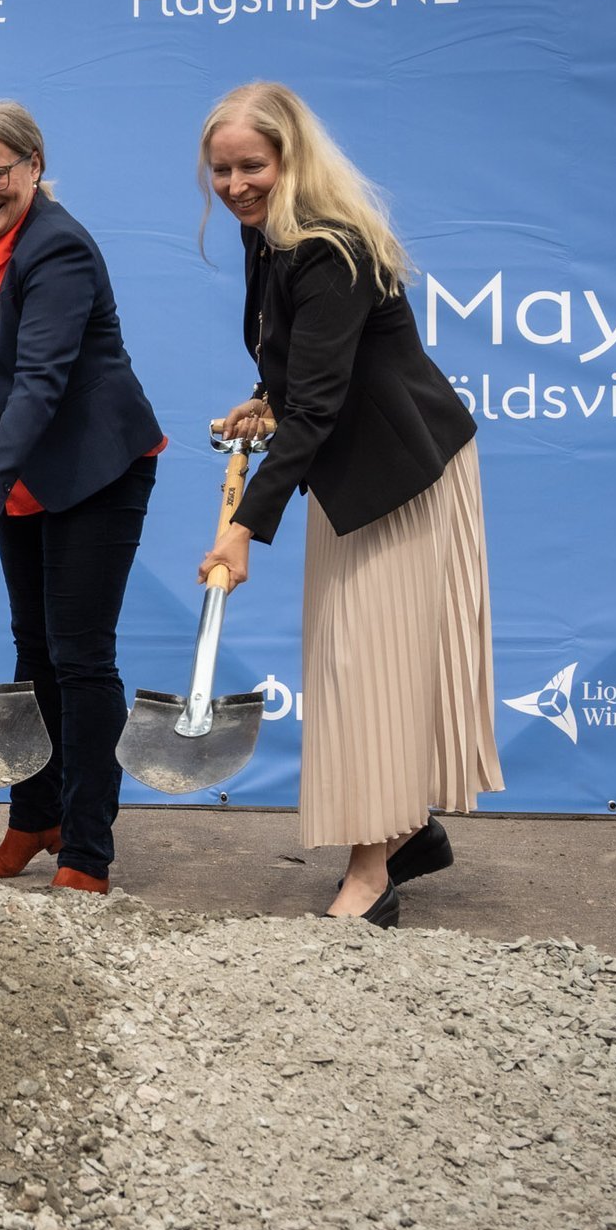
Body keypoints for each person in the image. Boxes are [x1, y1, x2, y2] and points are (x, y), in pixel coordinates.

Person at [194, 81, 502, 928]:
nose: (235, 185)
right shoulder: (270, 240)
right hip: (349, 478)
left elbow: (323, 406)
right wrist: (267, 394)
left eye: (251, 165)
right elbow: (303, 367)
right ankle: (408, 832)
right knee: (353, 665)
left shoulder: (331, 247)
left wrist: (243, 527)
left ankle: (373, 874)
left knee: (371, 671)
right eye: (220, 170)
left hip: (404, 479)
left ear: (290, 159)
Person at [0, 101, 163, 895]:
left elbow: (42, 382)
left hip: (96, 470)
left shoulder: (56, 245)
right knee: (34, 654)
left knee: (81, 657)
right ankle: (34, 819)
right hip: (30, 470)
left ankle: (87, 851)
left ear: (33, 165)